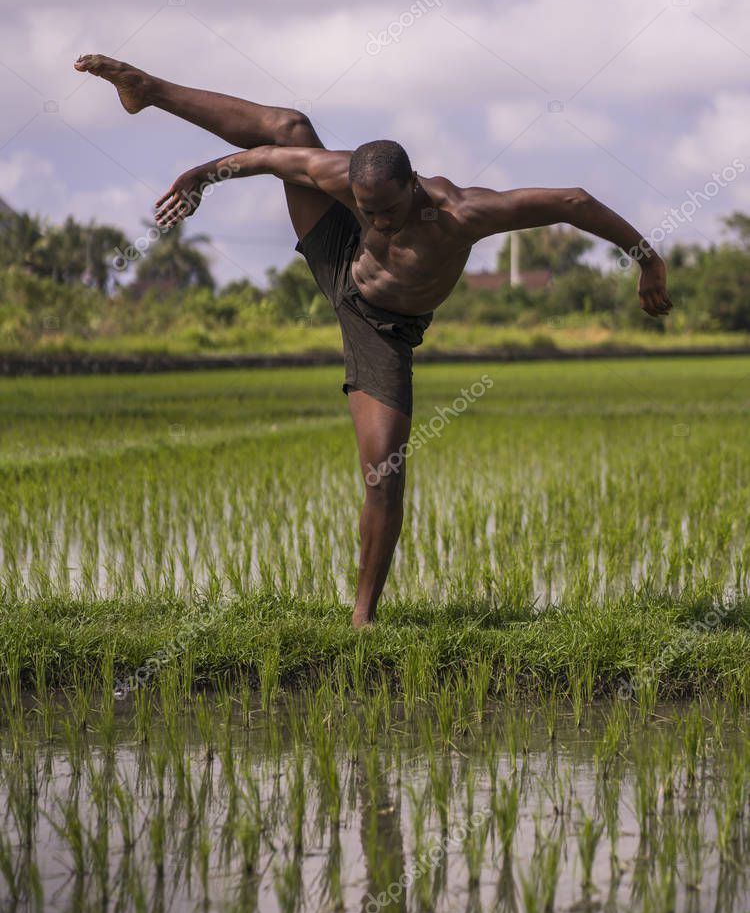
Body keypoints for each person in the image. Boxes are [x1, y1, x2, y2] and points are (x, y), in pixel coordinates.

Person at [74, 54, 673, 628]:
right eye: (367, 209)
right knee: (290, 127)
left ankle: (362, 616)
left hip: (382, 326)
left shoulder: (463, 213)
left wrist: (647, 261)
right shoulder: (343, 182)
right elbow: (268, 158)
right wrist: (202, 176)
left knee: (384, 471)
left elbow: (574, 202)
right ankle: (149, 90)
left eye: (387, 211)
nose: (380, 222)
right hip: (340, 256)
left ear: (413, 185)